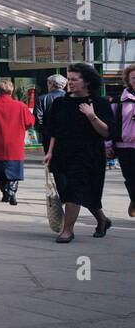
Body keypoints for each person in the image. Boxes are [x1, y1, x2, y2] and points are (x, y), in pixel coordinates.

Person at [43, 62, 115, 242]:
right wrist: (49, 152)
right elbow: (53, 130)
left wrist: (92, 116)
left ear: (87, 82)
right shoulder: (60, 102)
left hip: (88, 154)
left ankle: (67, 230)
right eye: (69, 79)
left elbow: (107, 132)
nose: (70, 82)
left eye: (75, 79)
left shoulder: (99, 103)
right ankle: (102, 220)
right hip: (62, 153)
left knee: (75, 189)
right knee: (72, 192)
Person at [0, 79, 35, 205]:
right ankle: (11, 191)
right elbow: (30, 122)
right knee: (15, 170)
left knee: (0, 170)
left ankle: (5, 193)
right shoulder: (20, 106)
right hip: (15, 142)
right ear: (11, 90)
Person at [108, 64, 135, 220]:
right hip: (125, 147)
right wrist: (108, 145)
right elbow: (110, 126)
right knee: (131, 178)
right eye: (134, 78)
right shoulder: (118, 102)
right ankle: (134, 198)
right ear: (128, 80)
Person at [35, 74, 68, 156]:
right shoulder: (71, 98)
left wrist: (42, 130)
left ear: (51, 84)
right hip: (67, 135)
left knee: (51, 161)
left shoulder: (42, 99)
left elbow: (38, 118)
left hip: (48, 134)